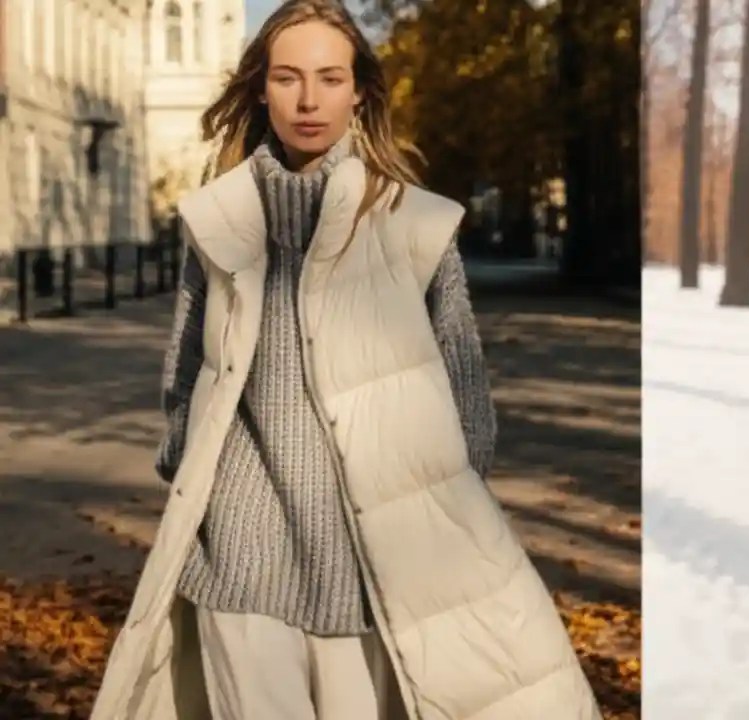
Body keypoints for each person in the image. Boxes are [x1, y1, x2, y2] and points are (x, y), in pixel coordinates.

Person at [91, 2, 601, 718]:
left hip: (375, 560)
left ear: (358, 91)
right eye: (288, 78)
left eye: (330, 78)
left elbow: (470, 410)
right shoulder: (217, 220)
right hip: (237, 554)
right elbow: (185, 380)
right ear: (259, 89)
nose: (308, 100)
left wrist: (422, 521)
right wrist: (201, 491)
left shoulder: (417, 224)